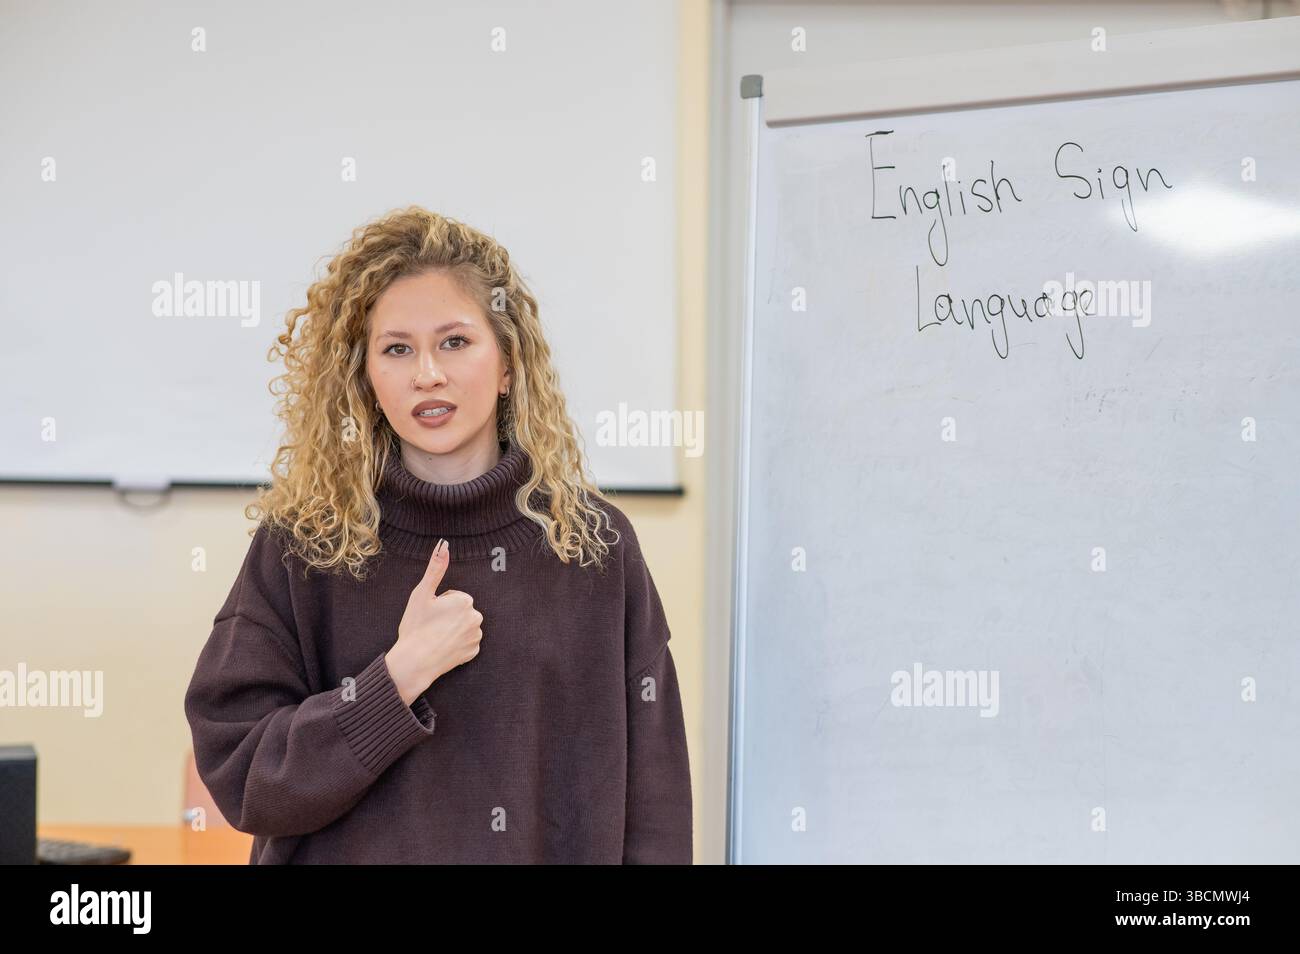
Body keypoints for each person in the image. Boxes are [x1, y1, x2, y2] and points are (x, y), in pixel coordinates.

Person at [183, 207, 692, 863]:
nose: (428, 373)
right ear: (364, 378)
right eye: (397, 348)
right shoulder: (304, 544)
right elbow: (243, 775)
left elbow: (656, 807)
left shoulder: (595, 547)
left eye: (455, 342)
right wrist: (396, 678)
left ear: (508, 363)